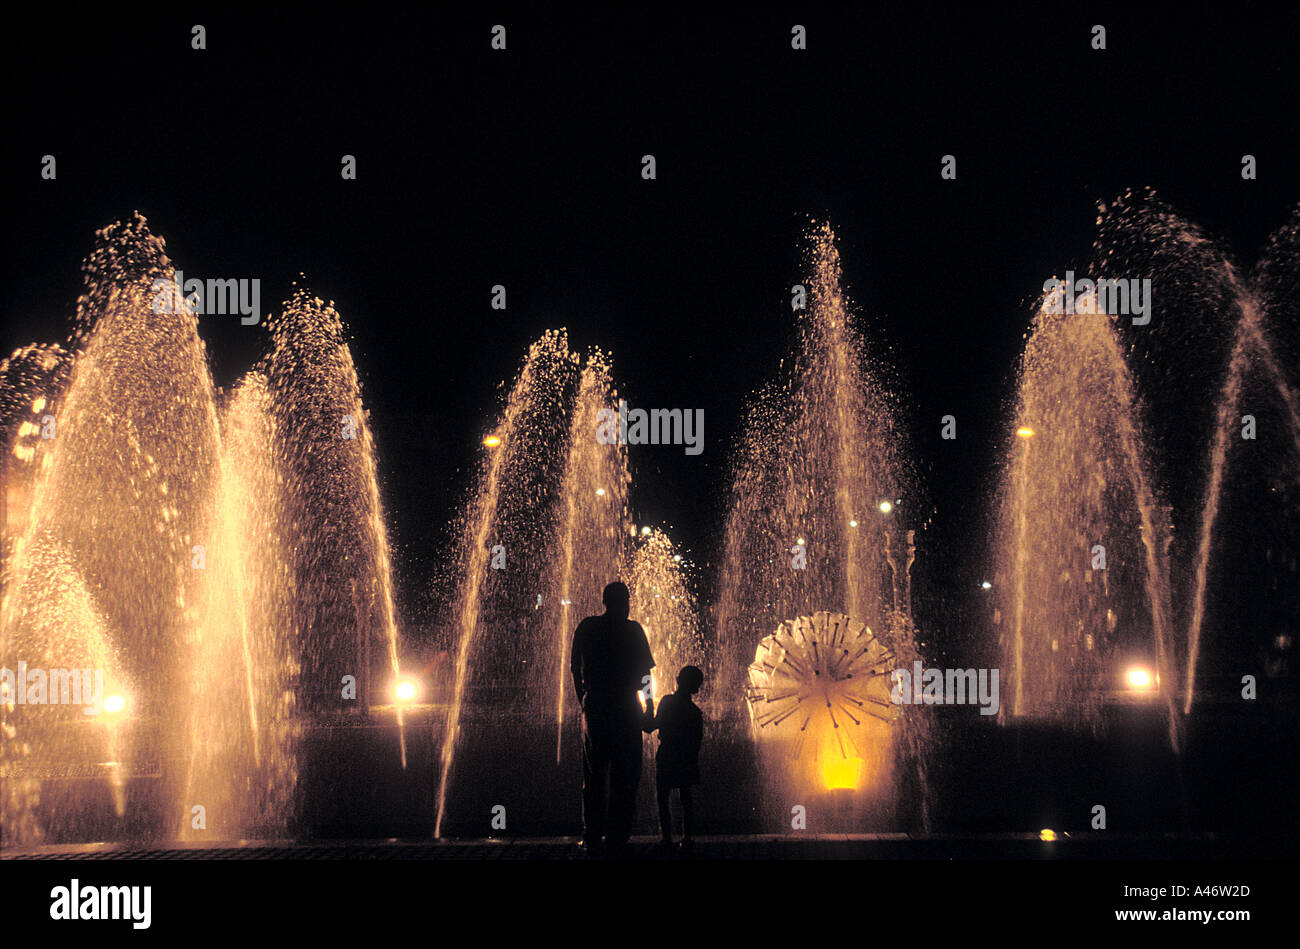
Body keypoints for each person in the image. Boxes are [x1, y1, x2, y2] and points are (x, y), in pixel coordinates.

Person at [570, 581, 654, 856]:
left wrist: (583, 698)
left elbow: (574, 668)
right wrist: (649, 706)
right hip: (626, 706)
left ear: (604, 601)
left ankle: (592, 835)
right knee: (626, 775)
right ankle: (619, 836)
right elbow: (645, 675)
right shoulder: (633, 630)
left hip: (596, 705)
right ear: (624, 601)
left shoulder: (587, 627)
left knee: (594, 774)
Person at [642, 665, 704, 853]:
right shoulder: (695, 712)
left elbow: (650, 727)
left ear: (677, 680)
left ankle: (667, 838)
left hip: (667, 754)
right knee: (686, 798)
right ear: (696, 688)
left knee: (663, 797)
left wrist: (648, 702)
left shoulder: (667, 702)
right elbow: (696, 742)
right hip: (686, 757)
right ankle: (686, 838)